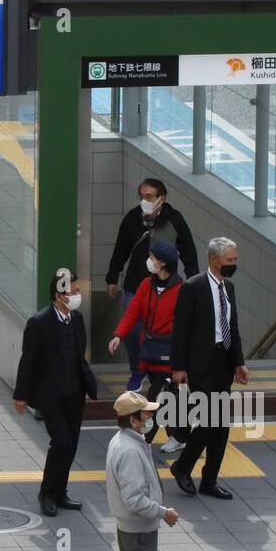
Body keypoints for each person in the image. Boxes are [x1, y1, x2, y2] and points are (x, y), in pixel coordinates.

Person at [168, 237, 249, 500]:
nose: (233, 264)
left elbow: (233, 328)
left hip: (223, 362)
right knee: (210, 420)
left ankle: (209, 479)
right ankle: (183, 466)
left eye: (235, 260)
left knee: (221, 424)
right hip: (200, 364)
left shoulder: (230, 288)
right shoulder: (193, 287)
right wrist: (178, 367)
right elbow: (180, 330)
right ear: (214, 260)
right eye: (230, 260)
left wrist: (239, 362)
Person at [13, 274, 99, 517]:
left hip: (75, 392)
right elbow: (27, 360)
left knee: (71, 446)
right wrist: (21, 395)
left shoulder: (77, 319)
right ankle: (47, 493)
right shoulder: (39, 322)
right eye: (73, 292)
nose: (77, 295)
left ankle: (60, 491)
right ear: (59, 296)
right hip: (51, 395)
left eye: (77, 290)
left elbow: (79, 354)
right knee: (60, 442)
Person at [104, 179, 199, 385]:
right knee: (133, 331)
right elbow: (121, 249)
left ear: (161, 199)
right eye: (141, 196)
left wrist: (193, 280)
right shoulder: (132, 218)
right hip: (135, 284)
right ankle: (138, 370)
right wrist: (112, 277)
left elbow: (188, 251)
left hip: (167, 286)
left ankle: (161, 368)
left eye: (149, 197)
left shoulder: (174, 219)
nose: (144, 201)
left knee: (162, 331)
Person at [107, 390, 179, 551]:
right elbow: (135, 499)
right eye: (145, 413)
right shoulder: (129, 450)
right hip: (139, 531)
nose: (150, 416)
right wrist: (163, 512)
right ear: (133, 419)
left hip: (128, 528)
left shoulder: (122, 441)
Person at [108, 240, 189, 454]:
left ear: (162, 263)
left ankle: (143, 438)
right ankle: (178, 435)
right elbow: (132, 312)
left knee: (155, 397)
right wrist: (119, 335)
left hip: (170, 354)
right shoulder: (146, 285)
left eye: (152, 258)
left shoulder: (182, 290)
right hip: (150, 351)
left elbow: (187, 326)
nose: (149, 261)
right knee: (166, 396)